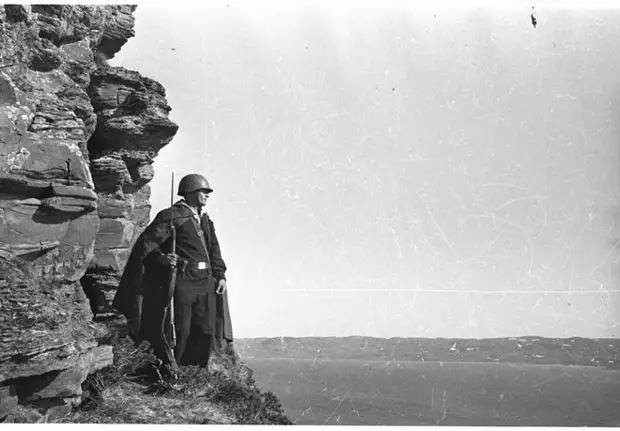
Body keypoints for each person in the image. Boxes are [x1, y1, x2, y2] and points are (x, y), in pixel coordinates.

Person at [112, 173, 233, 369]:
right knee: (182, 329)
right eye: (204, 191)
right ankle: (172, 370)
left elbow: (214, 252)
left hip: (206, 282)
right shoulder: (172, 216)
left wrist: (220, 276)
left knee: (205, 329)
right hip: (184, 282)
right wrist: (163, 259)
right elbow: (146, 246)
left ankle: (196, 373)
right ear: (191, 192)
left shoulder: (205, 221)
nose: (207, 195)